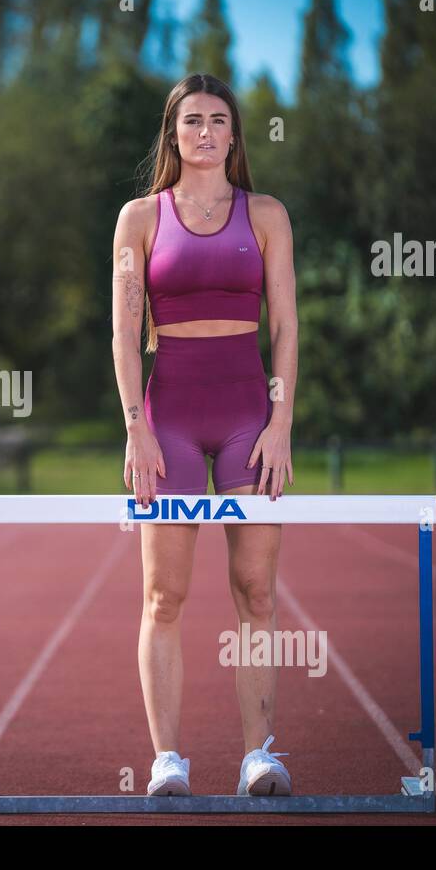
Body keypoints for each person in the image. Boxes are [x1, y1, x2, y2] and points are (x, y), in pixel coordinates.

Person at [109, 73, 298, 797]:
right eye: (193, 120)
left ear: (234, 135)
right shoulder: (139, 219)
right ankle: (167, 761)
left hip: (250, 413)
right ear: (173, 134)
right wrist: (137, 429)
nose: (207, 132)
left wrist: (280, 422)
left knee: (255, 590)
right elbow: (125, 334)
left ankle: (260, 756)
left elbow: (285, 326)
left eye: (220, 120)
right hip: (170, 418)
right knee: (165, 596)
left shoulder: (269, 215)